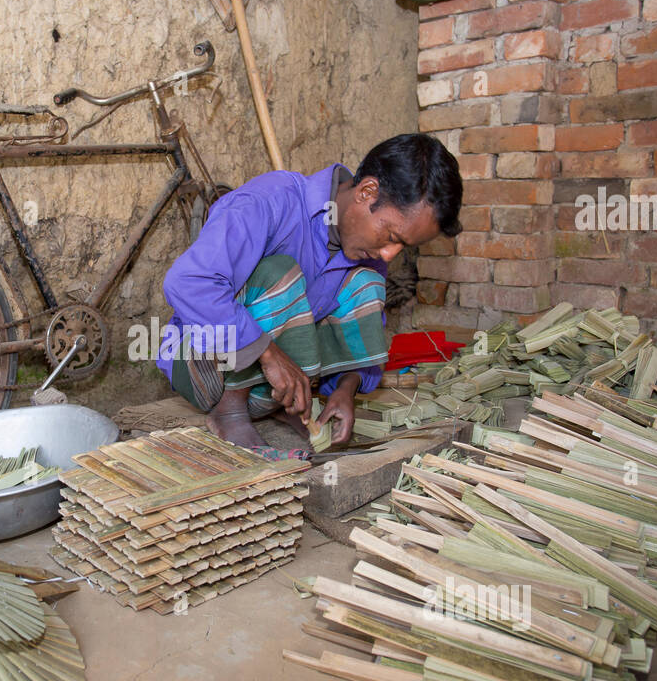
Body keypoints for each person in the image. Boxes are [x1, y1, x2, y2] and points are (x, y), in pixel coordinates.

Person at [155, 133, 463, 458]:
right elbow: (187, 282)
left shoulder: (367, 252)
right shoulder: (272, 200)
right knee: (278, 271)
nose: (389, 254)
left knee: (364, 280)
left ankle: (286, 404)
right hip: (204, 370)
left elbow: (363, 325)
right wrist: (269, 354)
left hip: (272, 382)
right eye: (390, 236)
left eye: (403, 246)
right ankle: (230, 412)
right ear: (367, 192)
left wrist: (346, 388)